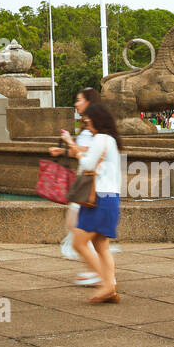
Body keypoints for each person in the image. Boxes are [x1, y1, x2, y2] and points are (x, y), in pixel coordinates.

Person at [68, 102, 123, 303]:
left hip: (98, 199)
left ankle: (107, 285)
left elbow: (87, 165)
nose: (86, 124)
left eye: (88, 121)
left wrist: (79, 153)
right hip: (110, 198)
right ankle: (109, 286)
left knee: (79, 243)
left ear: (97, 120)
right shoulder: (111, 140)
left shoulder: (100, 138)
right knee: (101, 245)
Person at [50, 88, 101, 262]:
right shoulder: (88, 124)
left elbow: (93, 151)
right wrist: (62, 151)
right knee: (80, 228)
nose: (76, 103)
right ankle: (100, 271)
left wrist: (69, 142)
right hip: (85, 180)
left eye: (79, 100)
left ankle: (99, 271)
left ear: (88, 102)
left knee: (77, 226)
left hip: (90, 182)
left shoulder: (95, 125)